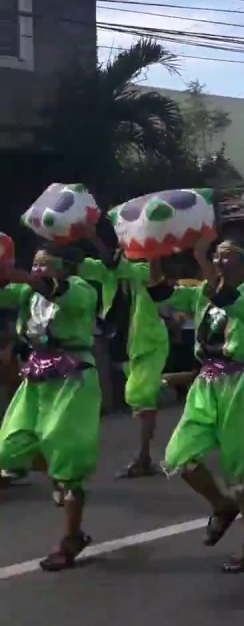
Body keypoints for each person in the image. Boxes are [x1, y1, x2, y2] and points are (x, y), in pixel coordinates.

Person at [163, 234, 244, 572]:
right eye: (217, 256)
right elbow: (161, 294)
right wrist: (154, 254)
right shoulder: (204, 293)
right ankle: (222, 505)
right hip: (206, 382)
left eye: (229, 256)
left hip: (243, 383)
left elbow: (230, 300)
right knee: (178, 456)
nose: (220, 261)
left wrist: (201, 259)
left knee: (241, 470)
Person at [0, 243, 102, 571]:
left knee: (66, 450)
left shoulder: (82, 289)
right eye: (36, 263)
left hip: (73, 375)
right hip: (37, 375)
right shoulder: (28, 294)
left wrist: (26, 277)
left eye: (46, 264)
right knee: (11, 443)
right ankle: (57, 477)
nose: (38, 269)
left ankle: (72, 536)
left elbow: (55, 291)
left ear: (66, 267)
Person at [113, 255, 180, 479]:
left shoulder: (140, 269)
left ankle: (144, 457)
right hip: (128, 342)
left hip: (148, 343)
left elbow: (150, 276)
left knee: (142, 398)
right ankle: (145, 457)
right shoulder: (114, 276)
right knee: (139, 400)